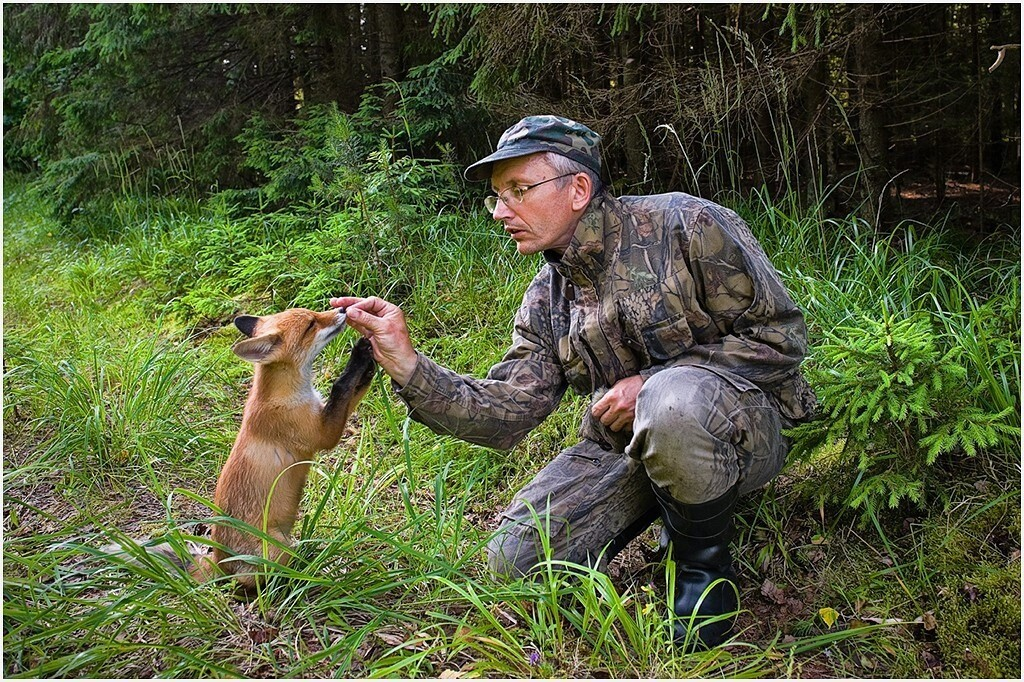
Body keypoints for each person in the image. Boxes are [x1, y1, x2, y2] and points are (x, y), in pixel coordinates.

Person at [332, 115, 817, 648]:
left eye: (518, 190)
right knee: (512, 560)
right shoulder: (547, 298)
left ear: (578, 189)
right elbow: (507, 411)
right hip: (627, 446)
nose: (500, 211)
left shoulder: (687, 225)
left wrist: (652, 383)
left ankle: (701, 574)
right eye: (496, 196)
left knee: (672, 401)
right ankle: (666, 495)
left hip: (748, 427)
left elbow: (780, 338)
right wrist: (406, 363)